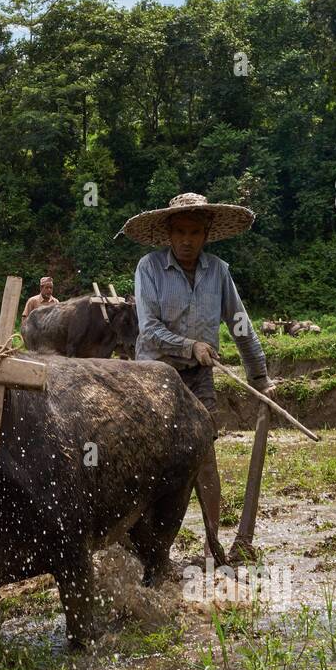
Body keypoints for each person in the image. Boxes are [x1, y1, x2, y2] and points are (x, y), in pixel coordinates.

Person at [118, 191, 273, 560]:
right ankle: (142, 546)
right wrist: (190, 345)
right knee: (150, 459)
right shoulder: (149, 268)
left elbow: (239, 324)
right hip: (154, 375)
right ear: (169, 234)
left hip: (199, 377)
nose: (187, 240)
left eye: (195, 233)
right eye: (181, 232)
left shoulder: (218, 271)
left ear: (206, 235)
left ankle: (211, 544)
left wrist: (260, 378)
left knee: (204, 456)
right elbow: (150, 329)